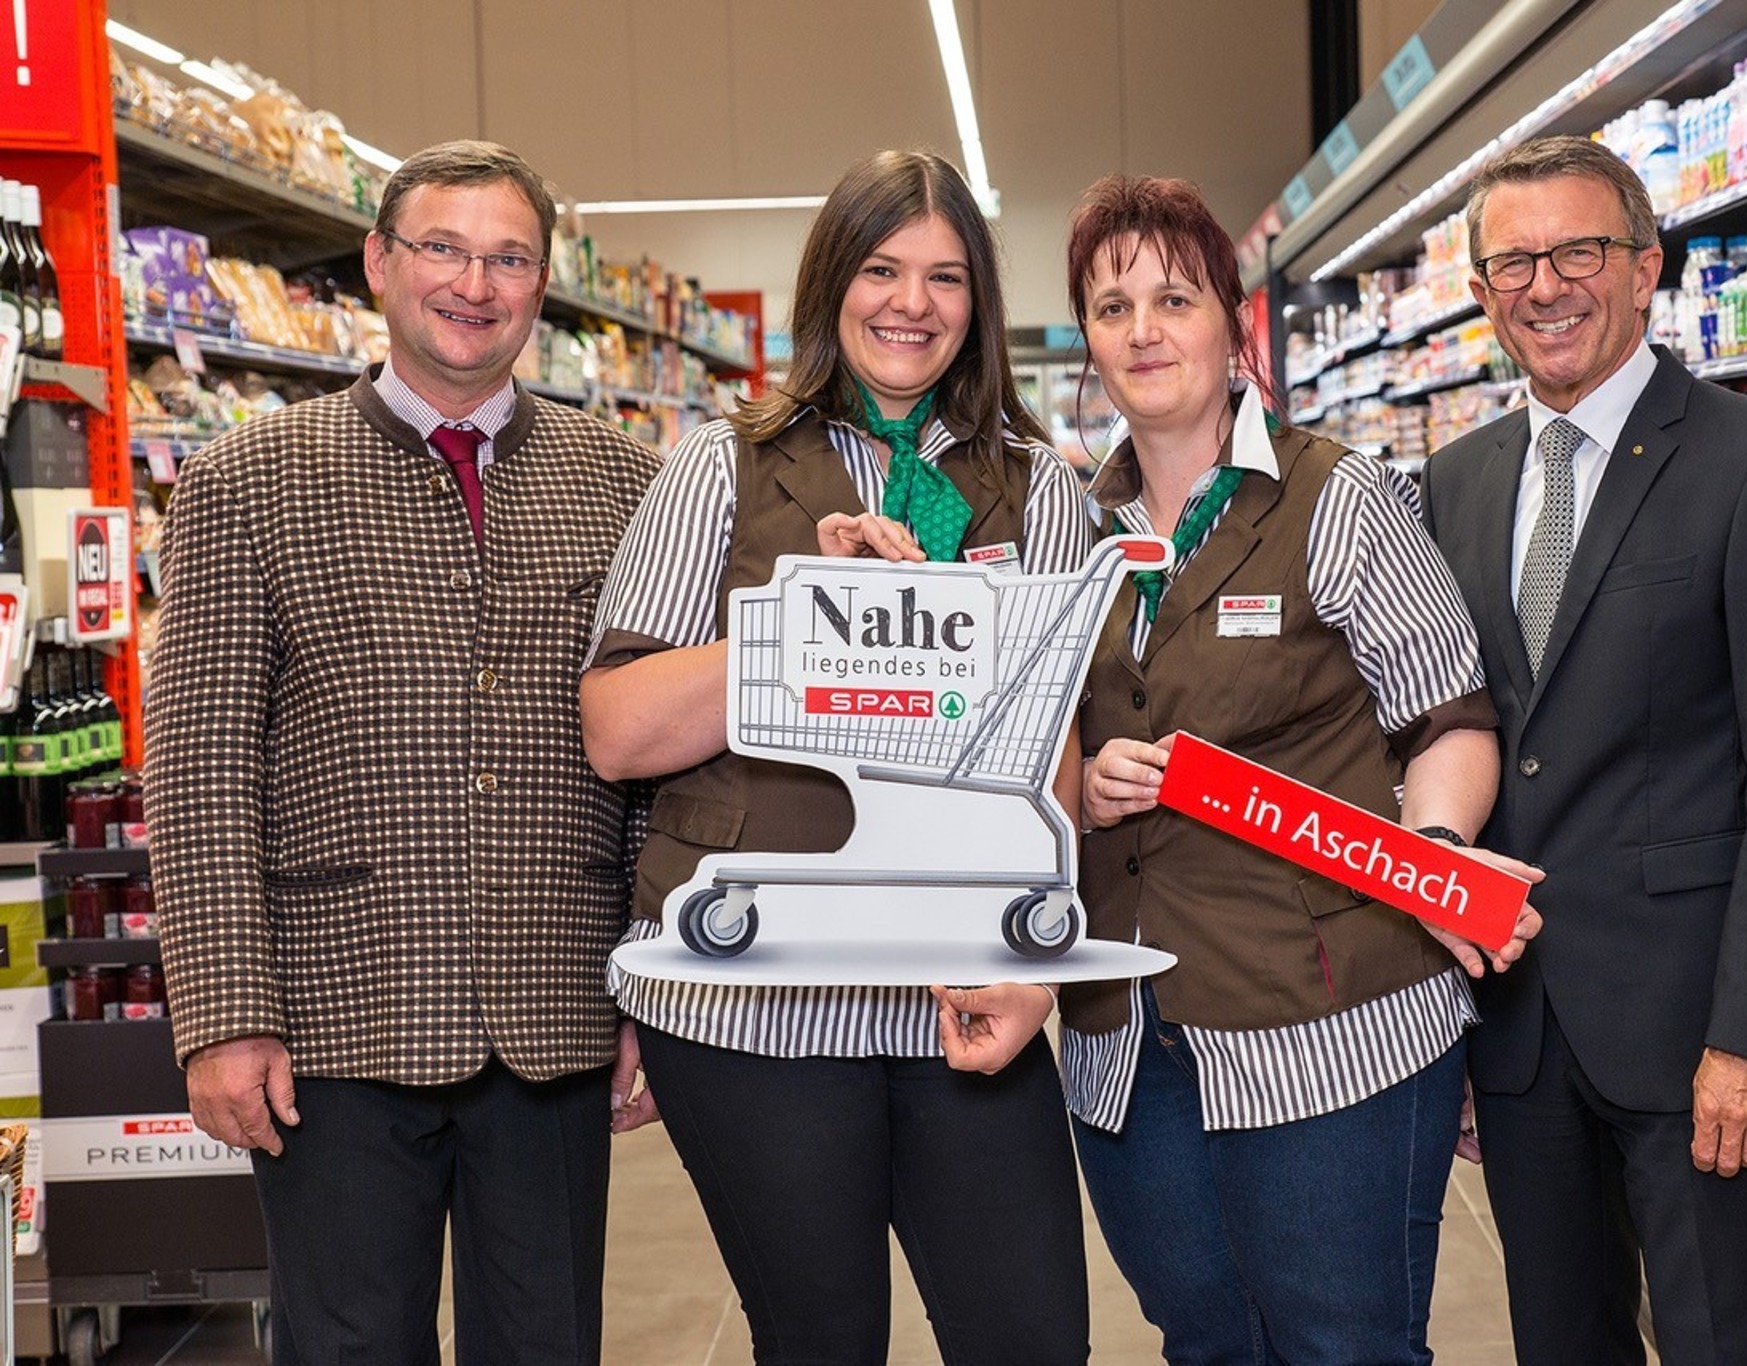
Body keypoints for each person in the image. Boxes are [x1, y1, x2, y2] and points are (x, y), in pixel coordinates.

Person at [146, 140, 660, 1366]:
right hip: (331, 1021)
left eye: (507, 257)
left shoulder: (626, 482)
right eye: (442, 247)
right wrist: (220, 1014)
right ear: (380, 263)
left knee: (546, 1344)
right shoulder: (244, 481)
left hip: (554, 1003)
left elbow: (651, 765)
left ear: (542, 285)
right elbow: (201, 766)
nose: (473, 283)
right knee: (345, 1344)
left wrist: (654, 973)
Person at [579, 149, 1093, 1366]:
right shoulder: (721, 466)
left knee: (1028, 1334)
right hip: (761, 1004)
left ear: (976, 304)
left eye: (945, 276)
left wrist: (1039, 968)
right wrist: (805, 625)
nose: (910, 302)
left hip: (962, 995)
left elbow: (1054, 756)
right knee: (818, 1339)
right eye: (879, 269)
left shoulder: (1035, 490)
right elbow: (617, 729)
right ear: (830, 284)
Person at [1059, 173, 1542, 1366]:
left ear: (1233, 322)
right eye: (1110, 307)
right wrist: (1080, 776)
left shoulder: (1338, 499)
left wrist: (1429, 852)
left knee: (1344, 1346)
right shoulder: (1073, 526)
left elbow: (1449, 721)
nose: (1142, 330)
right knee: (1205, 1340)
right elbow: (1031, 743)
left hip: (1327, 1021)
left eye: (1172, 297)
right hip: (1129, 1037)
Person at [1418, 135, 1747, 1365]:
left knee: (1725, 1340)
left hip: (1696, 1035)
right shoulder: (1450, 481)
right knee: (1559, 1341)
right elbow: (1442, 734)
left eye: (1578, 251)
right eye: (1512, 260)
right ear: (1478, 286)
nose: (1544, 285)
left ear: (1644, 265)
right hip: (1515, 1027)